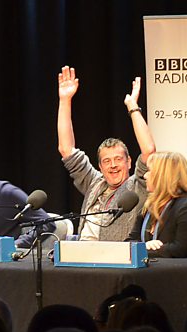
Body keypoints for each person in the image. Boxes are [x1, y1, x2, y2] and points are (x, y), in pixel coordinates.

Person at [57, 66, 156, 241]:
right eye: (107, 161)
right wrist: (65, 100)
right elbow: (66, 149)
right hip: (81, 256)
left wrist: (133, 108)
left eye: (118, 159)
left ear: (129, 162)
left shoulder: (137, 186)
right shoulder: (94, 182)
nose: (113, 165)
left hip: (115, 261)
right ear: (100, 167)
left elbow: (149, 150)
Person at [126, 151, 187, 258]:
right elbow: (130, 242)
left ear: (163, 176)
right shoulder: (149, 206)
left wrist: (142, 249)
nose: (145, 175)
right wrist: (144, 246)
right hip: (156, 270)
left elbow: (178, 251)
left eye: (149, 171)